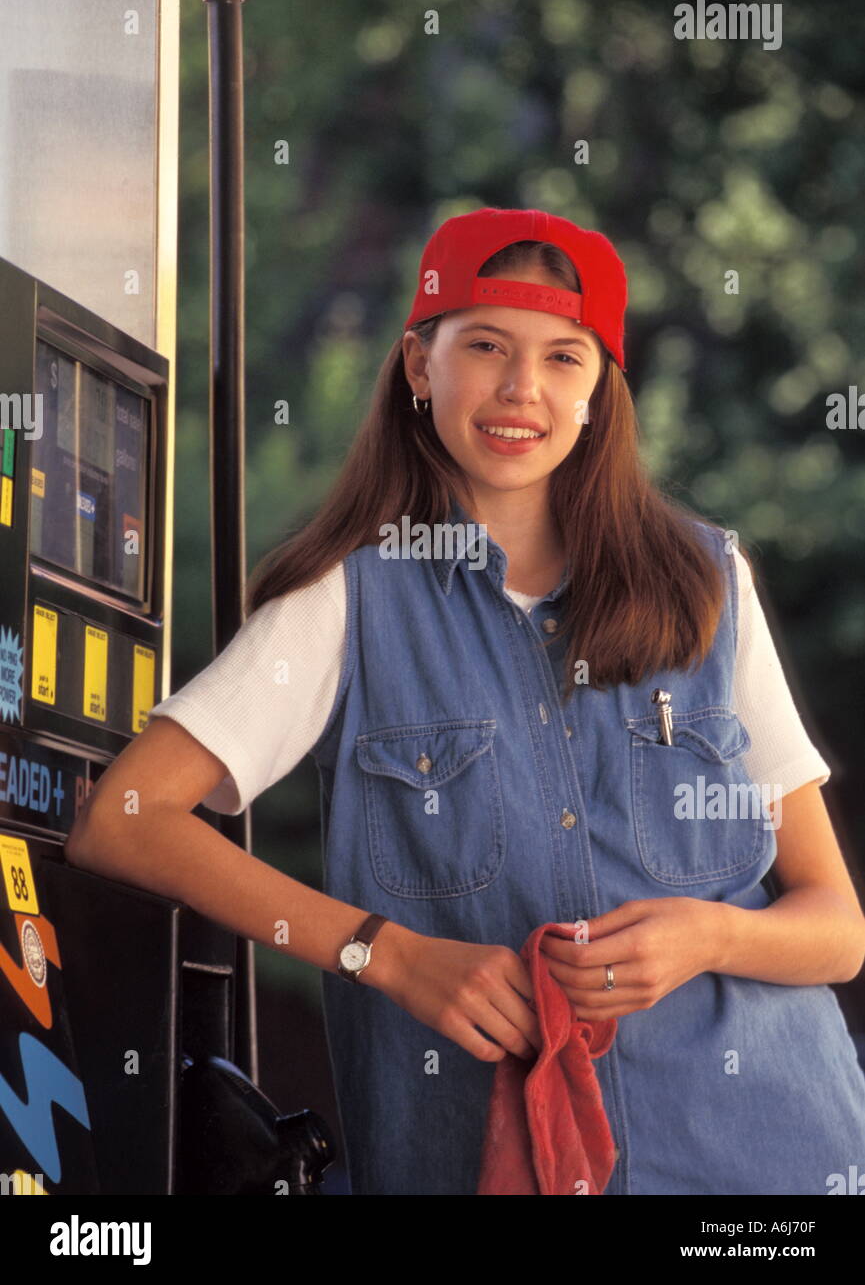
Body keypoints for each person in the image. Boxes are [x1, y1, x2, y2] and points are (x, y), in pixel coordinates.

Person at [65, 206, 865, 1197]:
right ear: (416, 364)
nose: (520, 389)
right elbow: (124, 820)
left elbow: (837, 930)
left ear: (600, 391)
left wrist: (712, 935)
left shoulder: (707, 584)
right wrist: (383, 953)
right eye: (483, 344)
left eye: (564, 358)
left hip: (774, 1171)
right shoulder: (346, 600)